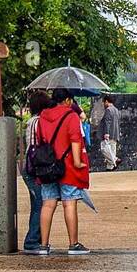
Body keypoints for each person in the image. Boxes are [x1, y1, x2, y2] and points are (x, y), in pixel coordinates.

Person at [37, 88, 91, 255]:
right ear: (68, 100)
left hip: (47, 166)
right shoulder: (71, 116)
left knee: (47, 204)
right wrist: (77, 161)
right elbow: (75, 139)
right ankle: (73, 244)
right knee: (69, 203)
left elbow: (40, 140)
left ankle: (43, 246)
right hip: (67, 165)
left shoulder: (42, 117)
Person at [20, 89, 53, 255]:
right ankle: (32, 241)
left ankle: (37, 239)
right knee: (40, 204)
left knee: (38, 204)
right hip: (34, 168)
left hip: (29, 166)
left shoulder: (32, 120)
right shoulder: (39, 121)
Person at [98, 95, 122, 169]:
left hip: (109, 134)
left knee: (104, 148)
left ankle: (115, 160)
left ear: (106, 101)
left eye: (104, 103)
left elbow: (107, 122)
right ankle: (110, 167)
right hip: (115, 134)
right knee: (112, 151)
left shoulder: (108, 110)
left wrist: (106, 133)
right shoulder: (116, 110)